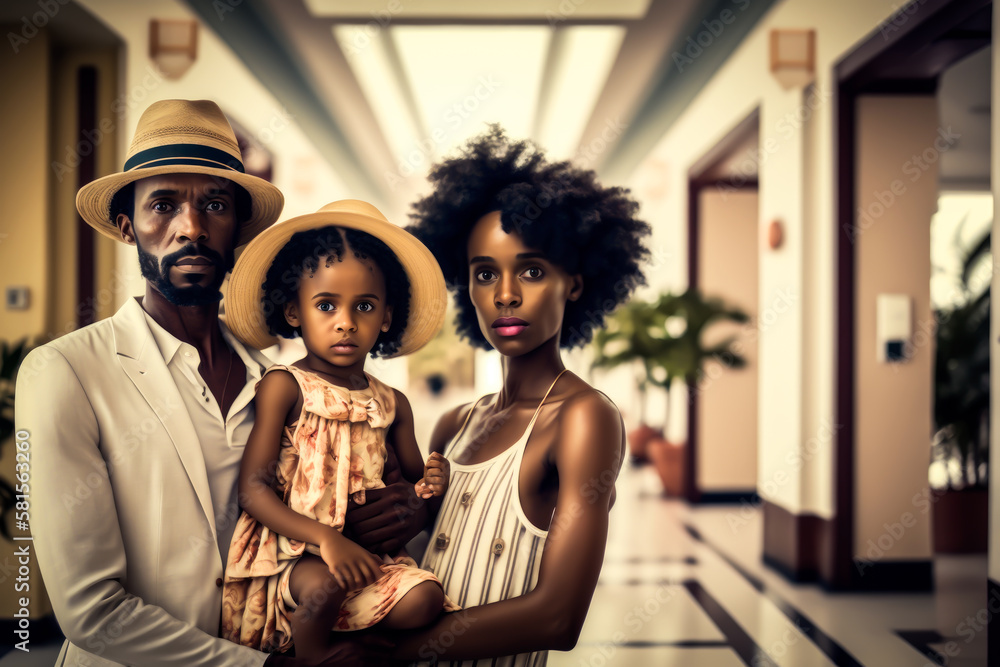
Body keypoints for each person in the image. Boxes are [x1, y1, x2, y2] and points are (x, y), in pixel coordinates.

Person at [14, 99, 411, 667]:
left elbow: (328, 516)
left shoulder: (279, 381)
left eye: (215, 205)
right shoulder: (65, 373)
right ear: (128, 227)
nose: (191, 228)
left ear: (238, 229)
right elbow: (90, 611)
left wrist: (405, 513)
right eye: (163, 204)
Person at [395, 126, 651, 665]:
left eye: (531, 271)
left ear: (574, 283)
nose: (505, 295)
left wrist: (386, 653)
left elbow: (558, 618)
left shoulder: (585, 418)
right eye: (484, 273)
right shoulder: (454, 423)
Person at [219, 200, 456, 659]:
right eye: (325, 305)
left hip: (368, 556)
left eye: (364, 306)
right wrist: (326, 539)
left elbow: (410, 482)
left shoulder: (392, 403)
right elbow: (253, 488)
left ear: (386, 316)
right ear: (294, 313)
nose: (346, 322)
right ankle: (312, 658)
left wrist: (431, 482)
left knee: (426, 599)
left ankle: (349, 641)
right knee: (325, 586)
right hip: (296, 555)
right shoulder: (286, 388)